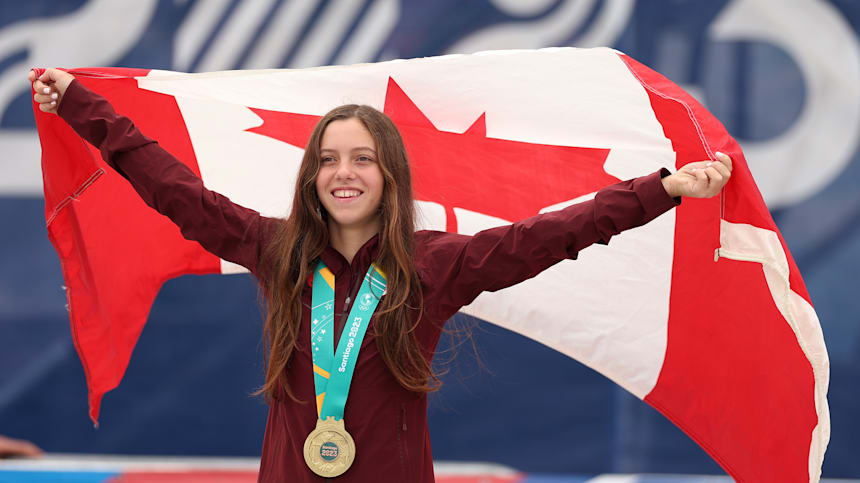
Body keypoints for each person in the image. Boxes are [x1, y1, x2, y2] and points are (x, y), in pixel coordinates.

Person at [30, 68, 732, 482]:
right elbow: (174, 189)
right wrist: (84, 108)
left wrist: (661, 188)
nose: (344, 172)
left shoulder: (435, 263)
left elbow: (548, 237)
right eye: (330, 158)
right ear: (312, 176)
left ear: (389, 174)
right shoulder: (276, 249)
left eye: (362, 158)